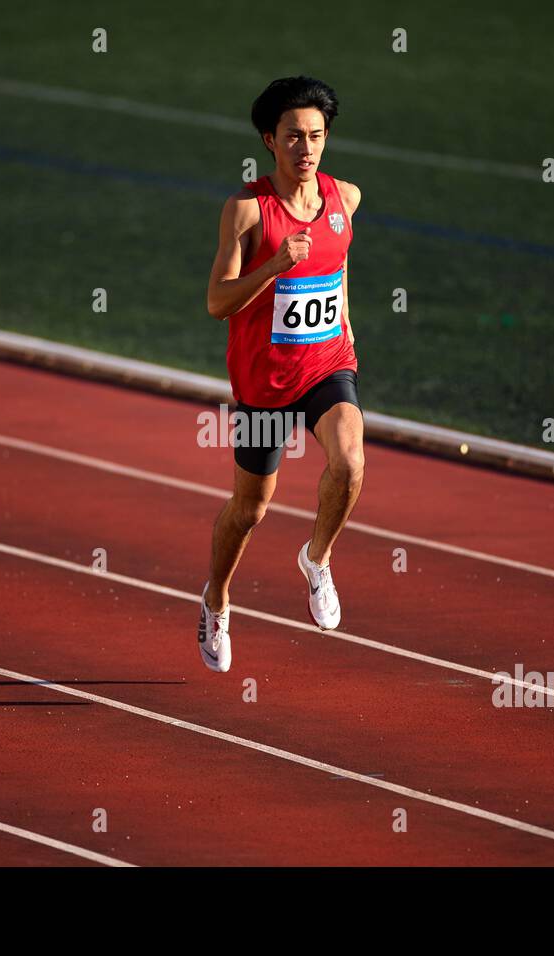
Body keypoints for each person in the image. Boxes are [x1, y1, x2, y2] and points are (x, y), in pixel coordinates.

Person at [198, 75, 365, 673]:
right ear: (269, 140)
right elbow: (218, 302)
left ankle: (317, 559)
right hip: (264, 385)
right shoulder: (246, 210)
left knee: (349, 463)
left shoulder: (345, 198)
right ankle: (217, 597)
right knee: (251, 509)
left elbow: (337, 265)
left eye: (317, 136)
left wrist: (346, 324)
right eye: (294, 136)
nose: (307, 148)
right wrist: (273, 264)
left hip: (325, 364)